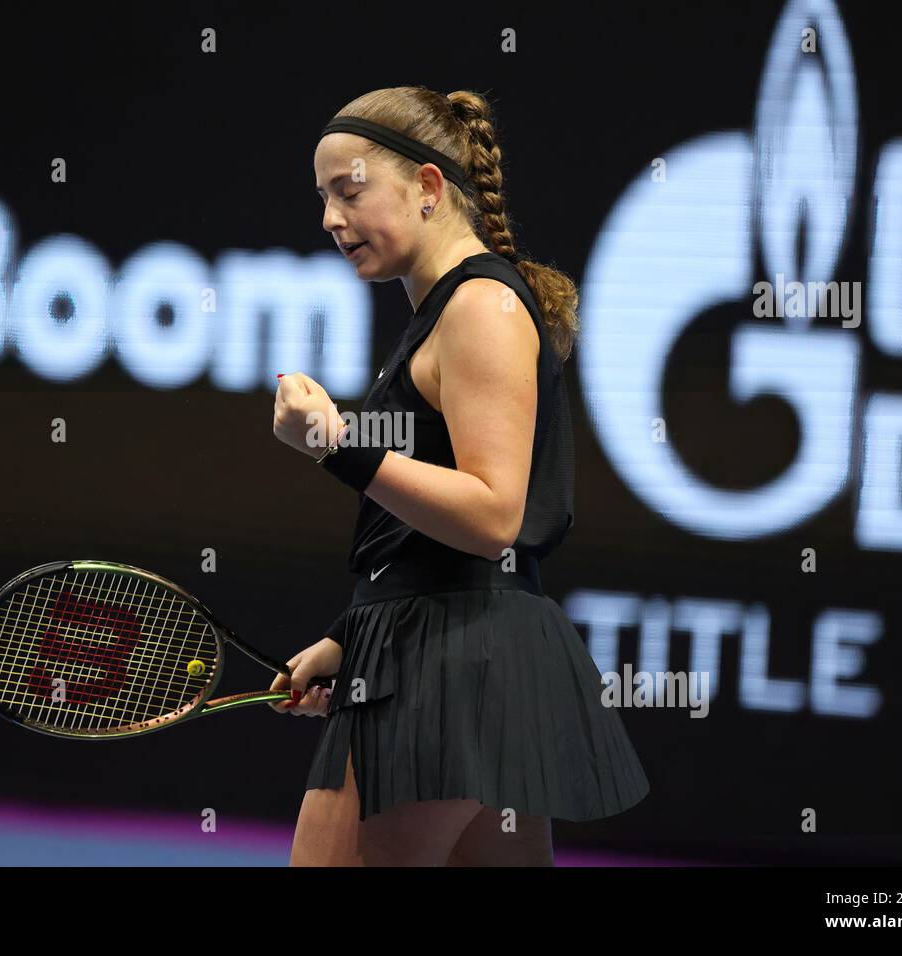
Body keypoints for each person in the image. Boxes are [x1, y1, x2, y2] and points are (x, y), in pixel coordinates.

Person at [269, 86, 649, 866]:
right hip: (458, 657)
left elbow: (492, 516)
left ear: (430, 189)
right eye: (322, 198)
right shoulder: (448, 311)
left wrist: (335, 446)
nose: (330, 220)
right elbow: (436, 526)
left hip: (449, 670)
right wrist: (353, 637)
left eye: (350, 190)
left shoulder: (481, 306)